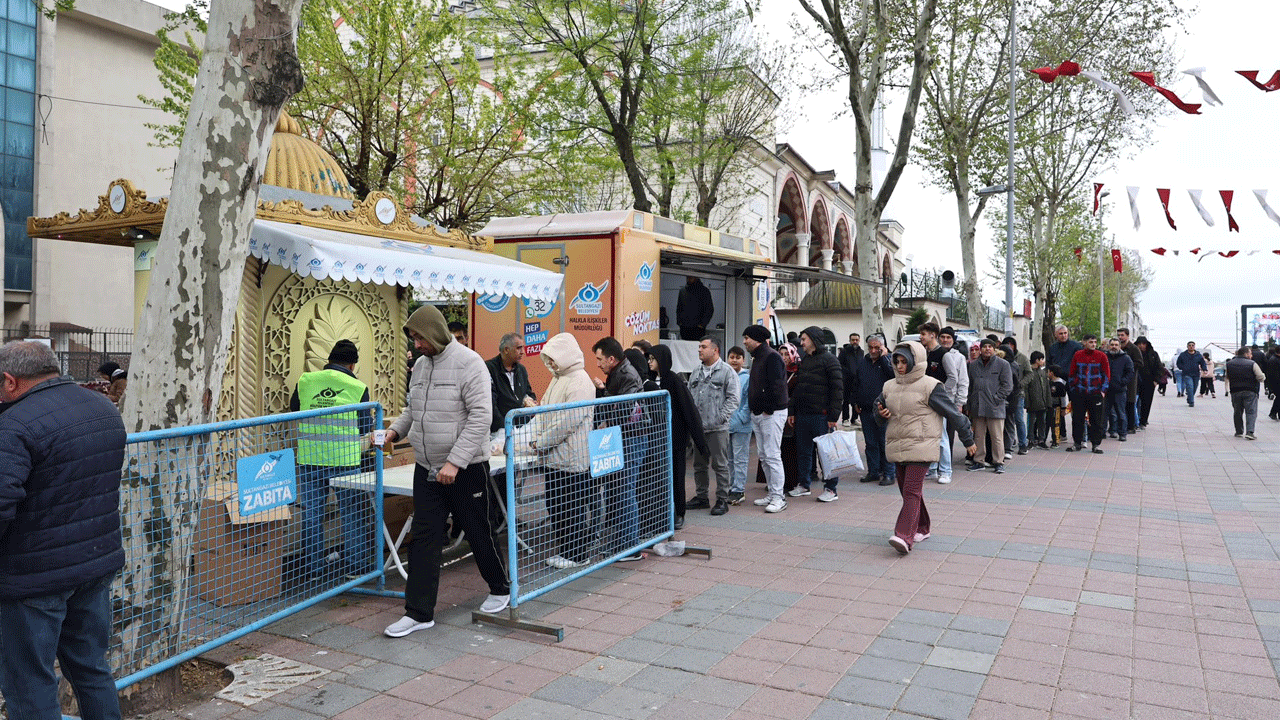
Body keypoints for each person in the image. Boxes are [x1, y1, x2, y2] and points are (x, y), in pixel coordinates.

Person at [0, 341, 127, 720]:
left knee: (29, 684)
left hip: (32, 579)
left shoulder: (14, 425)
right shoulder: (102, 408)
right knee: (90, 667)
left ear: (10, 381)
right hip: (93, 565)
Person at [382, 306, 509, 638]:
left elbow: (481, 416)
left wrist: (455, 461)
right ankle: (419, 612)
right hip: (427, 467)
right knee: (424, 538)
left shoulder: (470, 364)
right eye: (413, 339)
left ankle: (500, 588)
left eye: (420, 338)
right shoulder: (421, 366)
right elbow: (413, 408)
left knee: (478, 529)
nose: (416, 346)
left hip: (465, 468)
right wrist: (394, 432)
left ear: (435, 333)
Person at [875, 341, 976, 555]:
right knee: (908, 492)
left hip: (922, 446)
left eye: (905, 362)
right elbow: (879, 408)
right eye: (897, 361)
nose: (900, 366)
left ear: (916, 361)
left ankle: (904, 536)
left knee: (911, 491)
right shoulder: (889, 386)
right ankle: (922, 526)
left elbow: (953, 413)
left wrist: (968, 440)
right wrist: (880, 413)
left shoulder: (931, 386)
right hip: (898, 444)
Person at [290, 339, 375, 578]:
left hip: (309, 459)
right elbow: (364, 427)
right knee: (352, 512)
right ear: (352, 365)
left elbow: (295, 410)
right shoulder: (357, 386)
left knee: (312, 514)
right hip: (345, 460)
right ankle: (356, 568)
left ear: (330, 360)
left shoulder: (306, 381)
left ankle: (314, 570)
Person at [529, 333, 596, 569]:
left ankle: (577, 554)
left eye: (553, 359)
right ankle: (566, 550)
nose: (551, 364)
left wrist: (540, 443)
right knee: (556, 505)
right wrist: (534, 438)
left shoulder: (580, 381)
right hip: (553, 458)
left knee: (571, 507)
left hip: (571, 458)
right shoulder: (558, 379)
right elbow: (545, 411)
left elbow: (566, 422)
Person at [591, 337, 646, 561]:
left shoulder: (627, 375)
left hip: (630, 439)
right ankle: (621, 542)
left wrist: (604, 394)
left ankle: (631, 547)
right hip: (620, 437)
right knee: (617, 492)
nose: (598, 364)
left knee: (625, 492)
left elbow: (623, 408)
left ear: (611, 359)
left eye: (599, 359)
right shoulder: (618, 373)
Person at [648, 344, 708, 529]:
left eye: (652, 359)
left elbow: (689, 410)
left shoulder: (673, 380)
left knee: (677, 476)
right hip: (658, 439)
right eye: (648, 359)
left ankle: (679, 513)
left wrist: (700, 443)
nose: (649, 362)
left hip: (675, 439)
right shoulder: (650, 381)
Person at [787, 326, 844, 502]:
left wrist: (833, 417)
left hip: (822, 416)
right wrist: (792, 411)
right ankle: (804, 485)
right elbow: (798, 388)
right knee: (803, 452)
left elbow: (838, 390)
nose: (801, 343)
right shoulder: (805, 361)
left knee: (826, 454)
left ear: (813, 339)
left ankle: (831, 488)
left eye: (804, 339)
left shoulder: (830, 360)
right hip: (803, 414)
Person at [687, 337, 739, 515]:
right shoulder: (696, 372)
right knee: (699, 465)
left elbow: (734, 399)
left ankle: (722, 500)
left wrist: (720, 418)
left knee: (720, 465)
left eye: (703, 347)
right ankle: (701, 497)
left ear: (715, 350)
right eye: (699, 346)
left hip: (717, 429)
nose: (699, 350)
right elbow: (690, 396)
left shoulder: (726, 372)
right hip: (699, 429)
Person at [741, 324, 789, 513]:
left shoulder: (771, 357)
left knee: (772, 455)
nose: (744, 342)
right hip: (760, 413)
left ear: (756, 339)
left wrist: (768, 408)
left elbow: (777, 385)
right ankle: (772, 493)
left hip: (772, 413)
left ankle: (779, 497)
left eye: (747, 338)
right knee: (764, 456)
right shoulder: (759, 357)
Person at [920, 322, 967, 484]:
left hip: (939, 403)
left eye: (923, 334)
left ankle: (946, 470)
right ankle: (932, 469)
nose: (921, 338)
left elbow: (953, 378)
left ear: (932, 335)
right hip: (927, 403)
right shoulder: (926, 353)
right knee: (931, 436)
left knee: (942, 437)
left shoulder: (944, 355)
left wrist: (941, 395)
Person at [965, 338, 1012, 473]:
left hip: (995, 406)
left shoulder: (1003, 364)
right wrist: (969, 405)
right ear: (980, 349)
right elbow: (970, 386)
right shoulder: (973, 366)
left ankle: (998, 462)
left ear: (994, 349)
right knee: (978, 436)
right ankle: (979, 461)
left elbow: (1008, 386)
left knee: (997, 436)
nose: (987, 349)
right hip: (977, 406)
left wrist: (997, 398)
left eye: (990, 346)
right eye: (984, 346)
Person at [855, 335, 897, 485]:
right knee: (870, 443)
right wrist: (856, 402)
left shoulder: (888, 360)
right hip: (865, 409)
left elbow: (893, 375)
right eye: (870, 347)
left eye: (877, 348)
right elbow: (857, 382)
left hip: (883, 409)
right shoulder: (863, 362)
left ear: (882, 348)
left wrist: (885, 356)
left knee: (884, 443)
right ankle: (873, 472)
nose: (873, 350)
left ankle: (889, 473)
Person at [1067, 334, 1110, 454]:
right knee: (1077, 419)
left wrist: (1102, 391)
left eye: (1095, 342)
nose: (1093, 344)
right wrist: (1073, 388)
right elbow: (1072, 373)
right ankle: (1077, 443)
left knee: (1096, 420)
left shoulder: (1101, 356)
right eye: (1091, 342)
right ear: (1084, 342)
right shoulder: (1078, 355)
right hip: (1079, 393)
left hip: (1095, 393)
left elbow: (1106, 374)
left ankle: (1096, 444)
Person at [486, 333, 537, 433]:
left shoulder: (521, 369)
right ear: (506, 350)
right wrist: (504, 427)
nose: (523, 352)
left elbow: (528, 392)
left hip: (523, 428)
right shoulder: (489, 368)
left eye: (523, 348)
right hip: (500, 430)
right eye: (519, 348)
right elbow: (491, 404)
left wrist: (532, 401)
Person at [1047, 325, 1083, 440]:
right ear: (1056, 335)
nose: (1063, 335)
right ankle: (1061, 433)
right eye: (1061, 333)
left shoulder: (1076, 346)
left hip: (1073, 380)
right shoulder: (1052, 348)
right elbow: (1049, 362)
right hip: (1057, 380)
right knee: (1058, 406)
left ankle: (1078, 435)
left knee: (1076, 407)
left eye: (1065, 333)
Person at [726, 346, 752, 505]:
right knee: (729, 459)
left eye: (738, 357)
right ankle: (731, 486)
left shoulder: (747, 378)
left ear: (743, 360)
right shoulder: (725, 376)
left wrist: (741, 418)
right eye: (731, 357)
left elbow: (748, 402)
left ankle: (739, 489)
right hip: (726, 425)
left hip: (742, 426)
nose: (734, 360)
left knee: (740, 458)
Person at [1224, 347, 1266, 440]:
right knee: (1251, 411)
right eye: (1250, 353)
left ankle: (1239, 431)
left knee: (1237, 411)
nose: (1251, 355)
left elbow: (1228, 376)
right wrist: (1263, 377)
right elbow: (1260, 377)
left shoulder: (1229, 364)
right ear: (1246, 354)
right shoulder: (1252, 363)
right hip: (1250, 390)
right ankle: (1249, 432)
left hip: (1235, 390)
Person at [1002, 336, 1031, 455]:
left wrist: (1020, 384)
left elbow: (1029, 374)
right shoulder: (999, 358)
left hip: (1018, 394)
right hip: (1003, 394)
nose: (1009, 347)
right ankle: (1009, 442)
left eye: (1011, 344)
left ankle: (1023, 444)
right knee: (1006, 421)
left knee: (1019, 419)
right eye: (1007, 344)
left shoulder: (1022, 358)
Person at [998, 342, 1025, 459]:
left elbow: (1014, 384)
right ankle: (1003, 448)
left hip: (1011, 397)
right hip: (1005, 397)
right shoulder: (1000, 364)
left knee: (1009, 422)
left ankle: (1008, 448)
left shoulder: (1012, 365)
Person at [1104, 338, 1133, 442]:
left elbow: (1130, 373)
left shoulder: (1126, 358)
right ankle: (1102, 433)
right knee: (1104, 413)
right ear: (1108, 346)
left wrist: (1122, 382)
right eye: (1112, 345)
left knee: (1121, 413)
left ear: (1120, 346)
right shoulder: (1105, 356)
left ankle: (1122, 433)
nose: (1114, 347)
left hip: (1119, 390)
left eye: (1116, 345)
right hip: (1106, 390)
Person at [1117, 328, 1144, 432]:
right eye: (1119, 335)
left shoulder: (1133, 348)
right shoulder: (1117, 347)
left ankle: (1131, 427)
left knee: (1130, 403)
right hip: (1118, 379)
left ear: (1127, 336)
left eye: (1122, 335)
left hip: (1131, 380)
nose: (1120, 337)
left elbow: (1140, 363)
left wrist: (1128, 365)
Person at [1025, 351, 1051, 449]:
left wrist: (1048, 402)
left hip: (1043, 402)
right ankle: (1031, 439)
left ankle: (1041, 439)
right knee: (1031, 422)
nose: (1043, 361)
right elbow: (1026, 389)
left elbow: (1047, 388)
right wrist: (1027, 403)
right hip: (1032, 402)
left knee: (1042, 422)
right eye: (1042, 359)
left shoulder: (1043, 372)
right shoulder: (1030, 372)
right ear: (1037, 360)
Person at [1134, 336, 1161, 427]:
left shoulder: (1153, 354)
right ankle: (1134, 420)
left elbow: (1159, 368)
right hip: (1135, 381)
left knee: (1146, 402)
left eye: (1143, 344)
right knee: (1134, 402)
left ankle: (1143, 420)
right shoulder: (1133, 353)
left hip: (1149, 382)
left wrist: (1156, 381)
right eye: (1139, 344)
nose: (1141, 346)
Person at [676, 276, 714, 341]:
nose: (688, 279)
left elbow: (709, 309)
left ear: (696, 277)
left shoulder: (704, 291)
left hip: (698, 329)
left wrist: (702, 324)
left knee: (697, 348)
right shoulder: (682, 291)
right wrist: (680, 322)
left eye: (691, 277)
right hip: (684, 328)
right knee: (684, 347)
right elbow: (679, 308)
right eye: (687, 277)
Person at [837, 333, 863, 427]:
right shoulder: (844, 352)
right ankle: (845, 419)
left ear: (859, 340)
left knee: (856, 401)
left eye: (856, 340)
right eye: (853, 340)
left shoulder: (861, 352)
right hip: (846, 380)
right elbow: (840, 365)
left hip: (857, 381)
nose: (855, 342)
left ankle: (855, 418)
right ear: (850, 340)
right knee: (846, 401)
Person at [1047, 365, 1068, 447]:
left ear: (1052, 373)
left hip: (1057, 407)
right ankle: (1055, 438)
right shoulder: (1051, 382)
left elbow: (1063, 397)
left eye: (1048, 372)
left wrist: (1063, 408)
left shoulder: (1059, 384)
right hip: (1051, 406)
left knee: (1056, 423)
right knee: (1052, 423)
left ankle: (1056, 440)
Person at [1265, 346, 1280, 421]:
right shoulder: (1275, 360)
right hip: (1276, 383)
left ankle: (1274, 413)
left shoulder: (1274, 359)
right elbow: (1275, 374)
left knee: (1278, 398)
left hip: (1274, 382)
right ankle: (1273, 413)